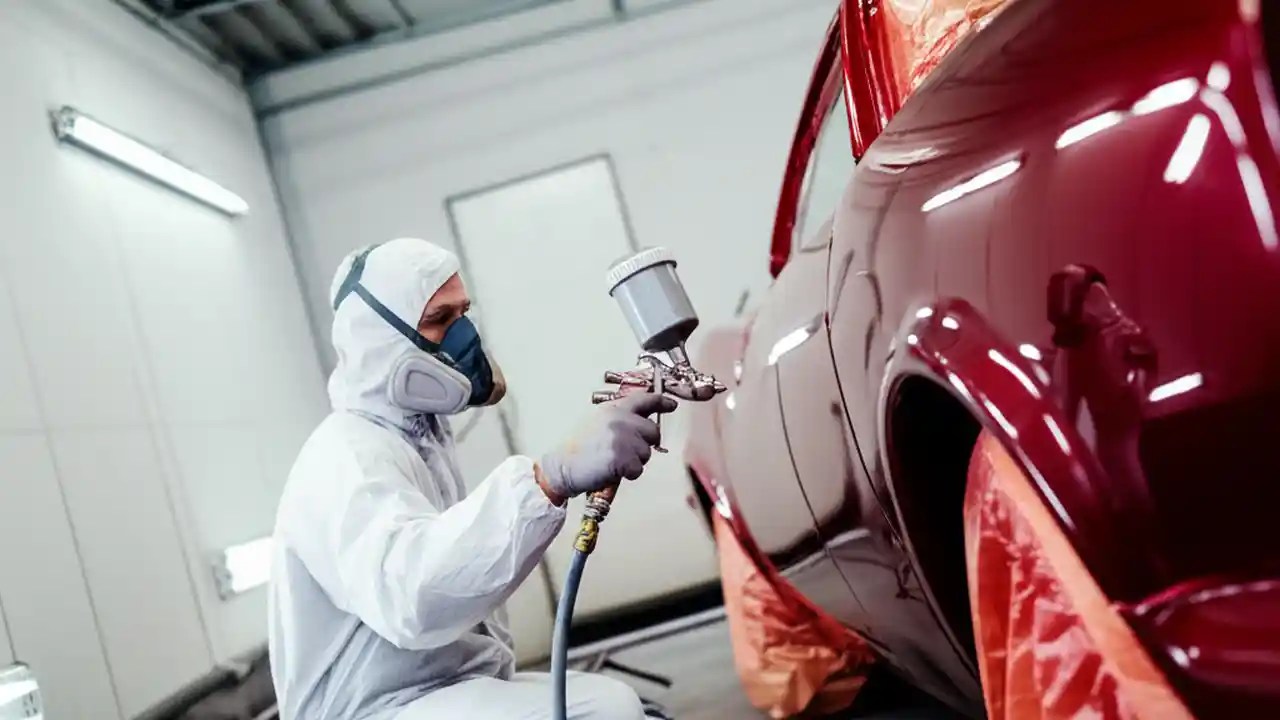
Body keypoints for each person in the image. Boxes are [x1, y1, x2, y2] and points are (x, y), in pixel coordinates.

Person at [268, 237, 674, 720]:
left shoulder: (419, 440)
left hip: (435, 690)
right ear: (380, 341)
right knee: (607, 714)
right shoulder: (347, 456)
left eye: (464, 314)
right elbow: (414, 598)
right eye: (441, 320)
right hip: (376, 710)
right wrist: (548, 479)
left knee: (614, 704)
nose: (464, 338)